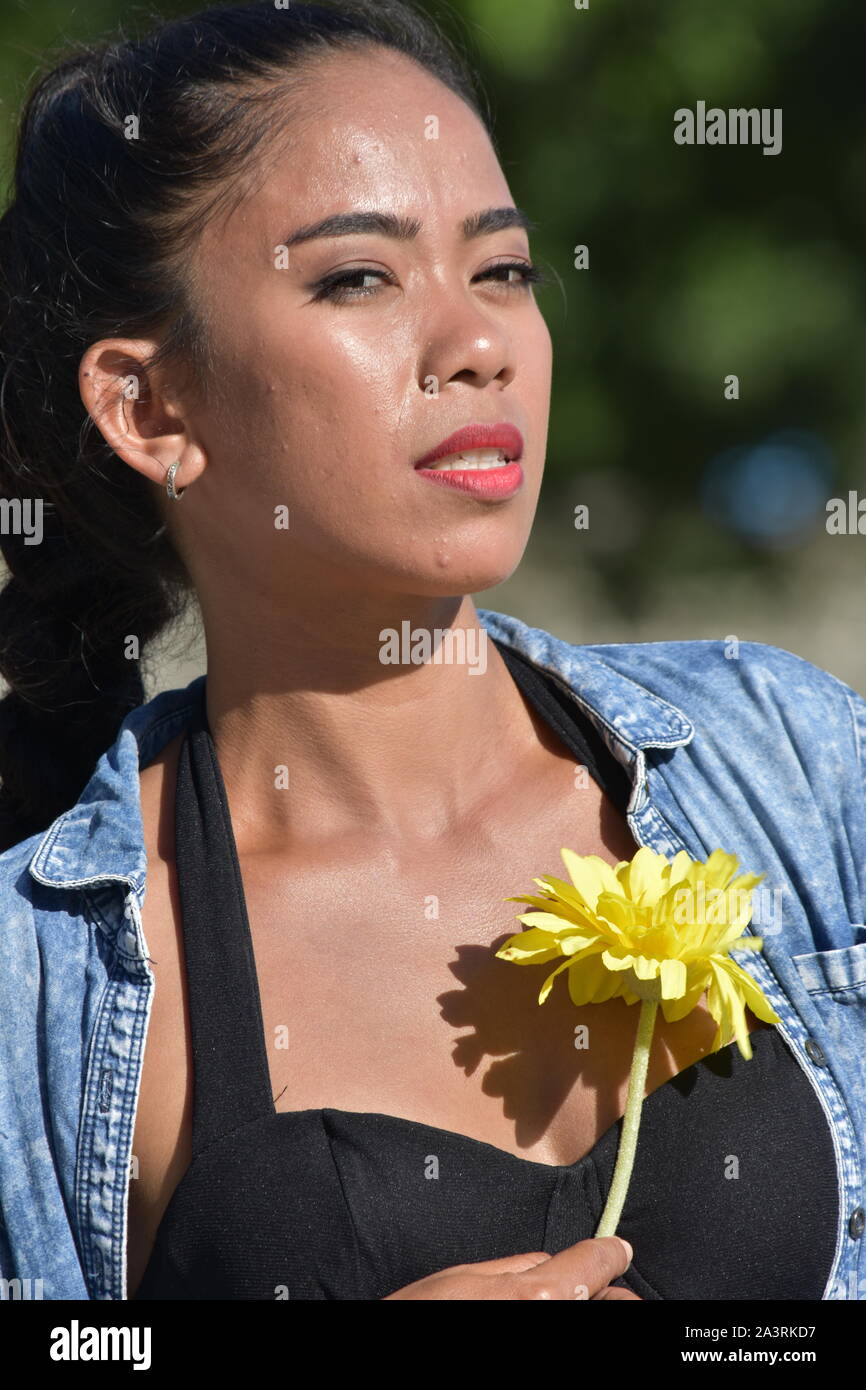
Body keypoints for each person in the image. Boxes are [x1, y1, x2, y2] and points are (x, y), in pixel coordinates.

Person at [0, 0, 863, 1303]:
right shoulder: (41, 978)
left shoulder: (797, 756)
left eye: (503, 269)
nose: (477, 345)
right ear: (149, 405)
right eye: (360, 276)